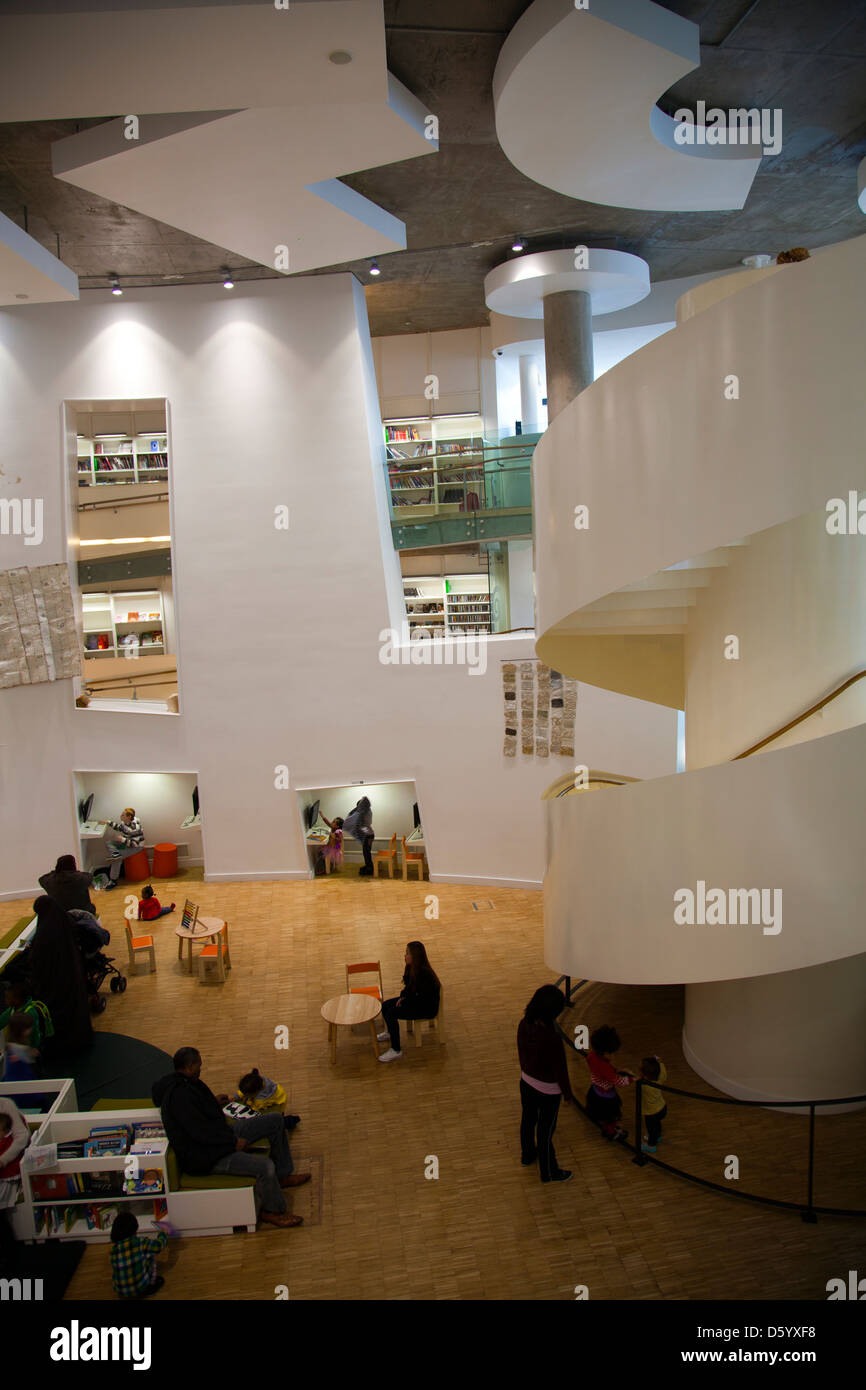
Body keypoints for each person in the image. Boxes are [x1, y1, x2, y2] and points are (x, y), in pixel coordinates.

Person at [152, 1047, 309, 1230]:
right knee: (265, 1167)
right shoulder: (180, 1097)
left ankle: (282, 1175)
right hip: (207, 1157)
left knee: (275, 1121)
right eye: (198, 1066)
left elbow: (200, 1117)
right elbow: (200, 1133)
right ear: (189, 1066)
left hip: (219, 1136)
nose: (201, 1069)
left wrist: (213, 1103)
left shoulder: (187, 1083)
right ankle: (273, 1211)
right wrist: (232, 1143)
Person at [517, 984, 574, 1183]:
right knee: (546, 1130)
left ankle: (527, 1155)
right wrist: (567, 1094)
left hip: (526, 1082)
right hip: (548, 1091)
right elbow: (560, 1070)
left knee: (528, 1120)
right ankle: (549, 1172)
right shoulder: (552, 1038)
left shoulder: (524, 1024)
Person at [29, 896, 93, 1059]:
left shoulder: (43, 935)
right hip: (72, 979)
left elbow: (37, 962)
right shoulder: (66, 924)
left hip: (53, 984)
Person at [378, 941, 441, 1063]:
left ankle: (396, 1049)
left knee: (391, 1013)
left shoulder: (424, 974)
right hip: (415, 1001)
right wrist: (403, 997)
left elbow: (422, 997)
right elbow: (409, 988)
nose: (404, 956)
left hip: (426, 1007)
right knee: (385, 1005)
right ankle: (391, 1032)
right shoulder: (412, 968)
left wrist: (405, 1001)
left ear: (415, 957)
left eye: (407, 953)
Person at [586, 1025, 635, 1142]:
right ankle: (612, 1133)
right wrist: (633, 1078)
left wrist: (614, 1070)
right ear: (604, 1053)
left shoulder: (592, 1056)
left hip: (595, 1091)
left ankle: (607, 1129)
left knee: (604, 1117)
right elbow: (618, 1081)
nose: (613, 1056)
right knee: (611, 1118)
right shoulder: (605, 1066)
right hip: (606, 1097)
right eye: (612, 1053)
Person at [110, 1211, 168, 1298]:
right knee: (151, 1254)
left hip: (121, 1291)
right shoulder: (141, 1243)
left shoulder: (114, 1250)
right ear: (134, 1229)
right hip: (141, 1287)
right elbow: (159, 1246)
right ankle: (150, 1286)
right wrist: (163, 1233)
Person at [0, 980, 53, 1051]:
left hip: (28, 1048)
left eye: (8, 998)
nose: (5, 1000)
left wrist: (32, 1049)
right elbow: (2, 1020)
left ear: (17, 1000)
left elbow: (34, 1036)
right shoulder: (12, 1009)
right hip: (17, 1046)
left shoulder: (30, 1012)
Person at [102, 808, 145, 888]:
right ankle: (116, 855)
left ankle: (113, 880)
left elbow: (135, 844)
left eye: (123, 815)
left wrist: (123, 839)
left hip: (136, 847)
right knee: (109, 843)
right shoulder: (126, 823)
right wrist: (108, 822)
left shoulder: (134, 829)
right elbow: (120, 827)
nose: (120, 816)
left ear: (128, 817)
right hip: (127, 843)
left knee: (116, 860)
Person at [640, 1055, 668, 1154]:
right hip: (662, 1108)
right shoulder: (660, 1078)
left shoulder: (644, 1086)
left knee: (651, 1129)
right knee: (657, 1124)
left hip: (651, 1113)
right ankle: (658, 1136)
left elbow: (636, 1080)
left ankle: (651, 1146)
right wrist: (660, 1062)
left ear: (645, 1075)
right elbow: (663, 1071)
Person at [344, 796, 375, 876]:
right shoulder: (368, 811)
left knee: (367, 853)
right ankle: (369, 867)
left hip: (368, 835)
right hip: (370, 834)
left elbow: (362, 826)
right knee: (367, 853)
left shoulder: (364, 813)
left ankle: (369, 869)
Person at [1, 1014, 38, 1082]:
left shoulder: (14, 1044)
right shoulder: (13, 1047)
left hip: (23, 1076)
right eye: (28, 1027)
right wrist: (30, 1053)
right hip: (18, 1080)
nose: (31, 1029)